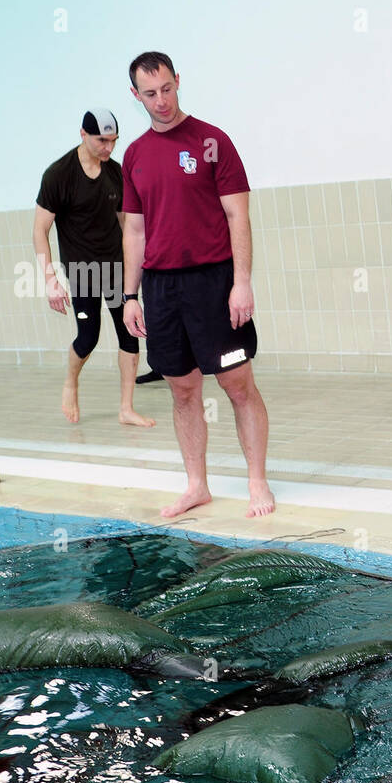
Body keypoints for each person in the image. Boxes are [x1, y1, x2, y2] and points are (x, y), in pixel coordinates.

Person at [120, 52, 275, 519]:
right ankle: (196, 485)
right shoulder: (135, 154)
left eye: (167, 88)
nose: (162, 100)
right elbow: (134, 230)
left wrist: (241, 282)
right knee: (182, 388)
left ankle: (257, 482)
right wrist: (130, 295)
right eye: (150, 93)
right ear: (136, 96)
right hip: (162, 289)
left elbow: (237, 215)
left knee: (237, 382)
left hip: (214, 281)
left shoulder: (212, 141)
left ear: (177, 81)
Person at [32, 109, 154, 428]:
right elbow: (39, 231)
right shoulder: (58, 175)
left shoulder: (115, 173)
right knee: (88, 336)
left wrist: (138, 267)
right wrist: (50, 281)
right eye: (102, 141)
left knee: (130, 331)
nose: (108, 148)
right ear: (83, 134)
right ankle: (71, 382)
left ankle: (126, 408)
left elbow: (127, 225)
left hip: (116, 267)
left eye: (114, 141)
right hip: (82, 271)